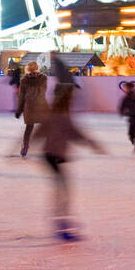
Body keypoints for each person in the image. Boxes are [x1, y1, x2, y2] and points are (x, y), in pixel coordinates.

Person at [32, 83, 106, 241]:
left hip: (53, 156)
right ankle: (61, 224)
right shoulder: (60, 115)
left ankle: (61, 222)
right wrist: (92, 144)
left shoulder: (57, 113)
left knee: (63, 190)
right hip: (53, 156)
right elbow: (74, 133)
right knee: (63, 191)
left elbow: (42, 132)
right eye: (72, 96)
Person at [15, 61, 49, 157]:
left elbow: (21, 97)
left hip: (30, 107)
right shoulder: (44, 79)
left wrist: (19, 110)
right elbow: (44, 91)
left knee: (29, 128)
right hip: (42, 106)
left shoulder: (24, 81)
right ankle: (48, 147)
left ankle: (25, 146)